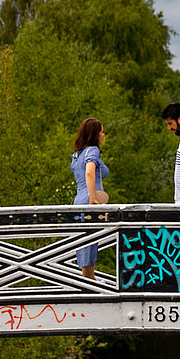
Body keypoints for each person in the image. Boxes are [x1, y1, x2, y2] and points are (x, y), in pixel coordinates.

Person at [71, 117, 109, 278]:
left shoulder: (77, 154)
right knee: (89, 244)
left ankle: (88, 281)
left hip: (79, 200)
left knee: (85, 243)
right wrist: (93, 198)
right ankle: (89, 285)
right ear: (95, 134)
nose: (103, 135)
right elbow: (89, 171)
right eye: (101, 131)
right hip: (88, 200)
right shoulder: (92, 150)